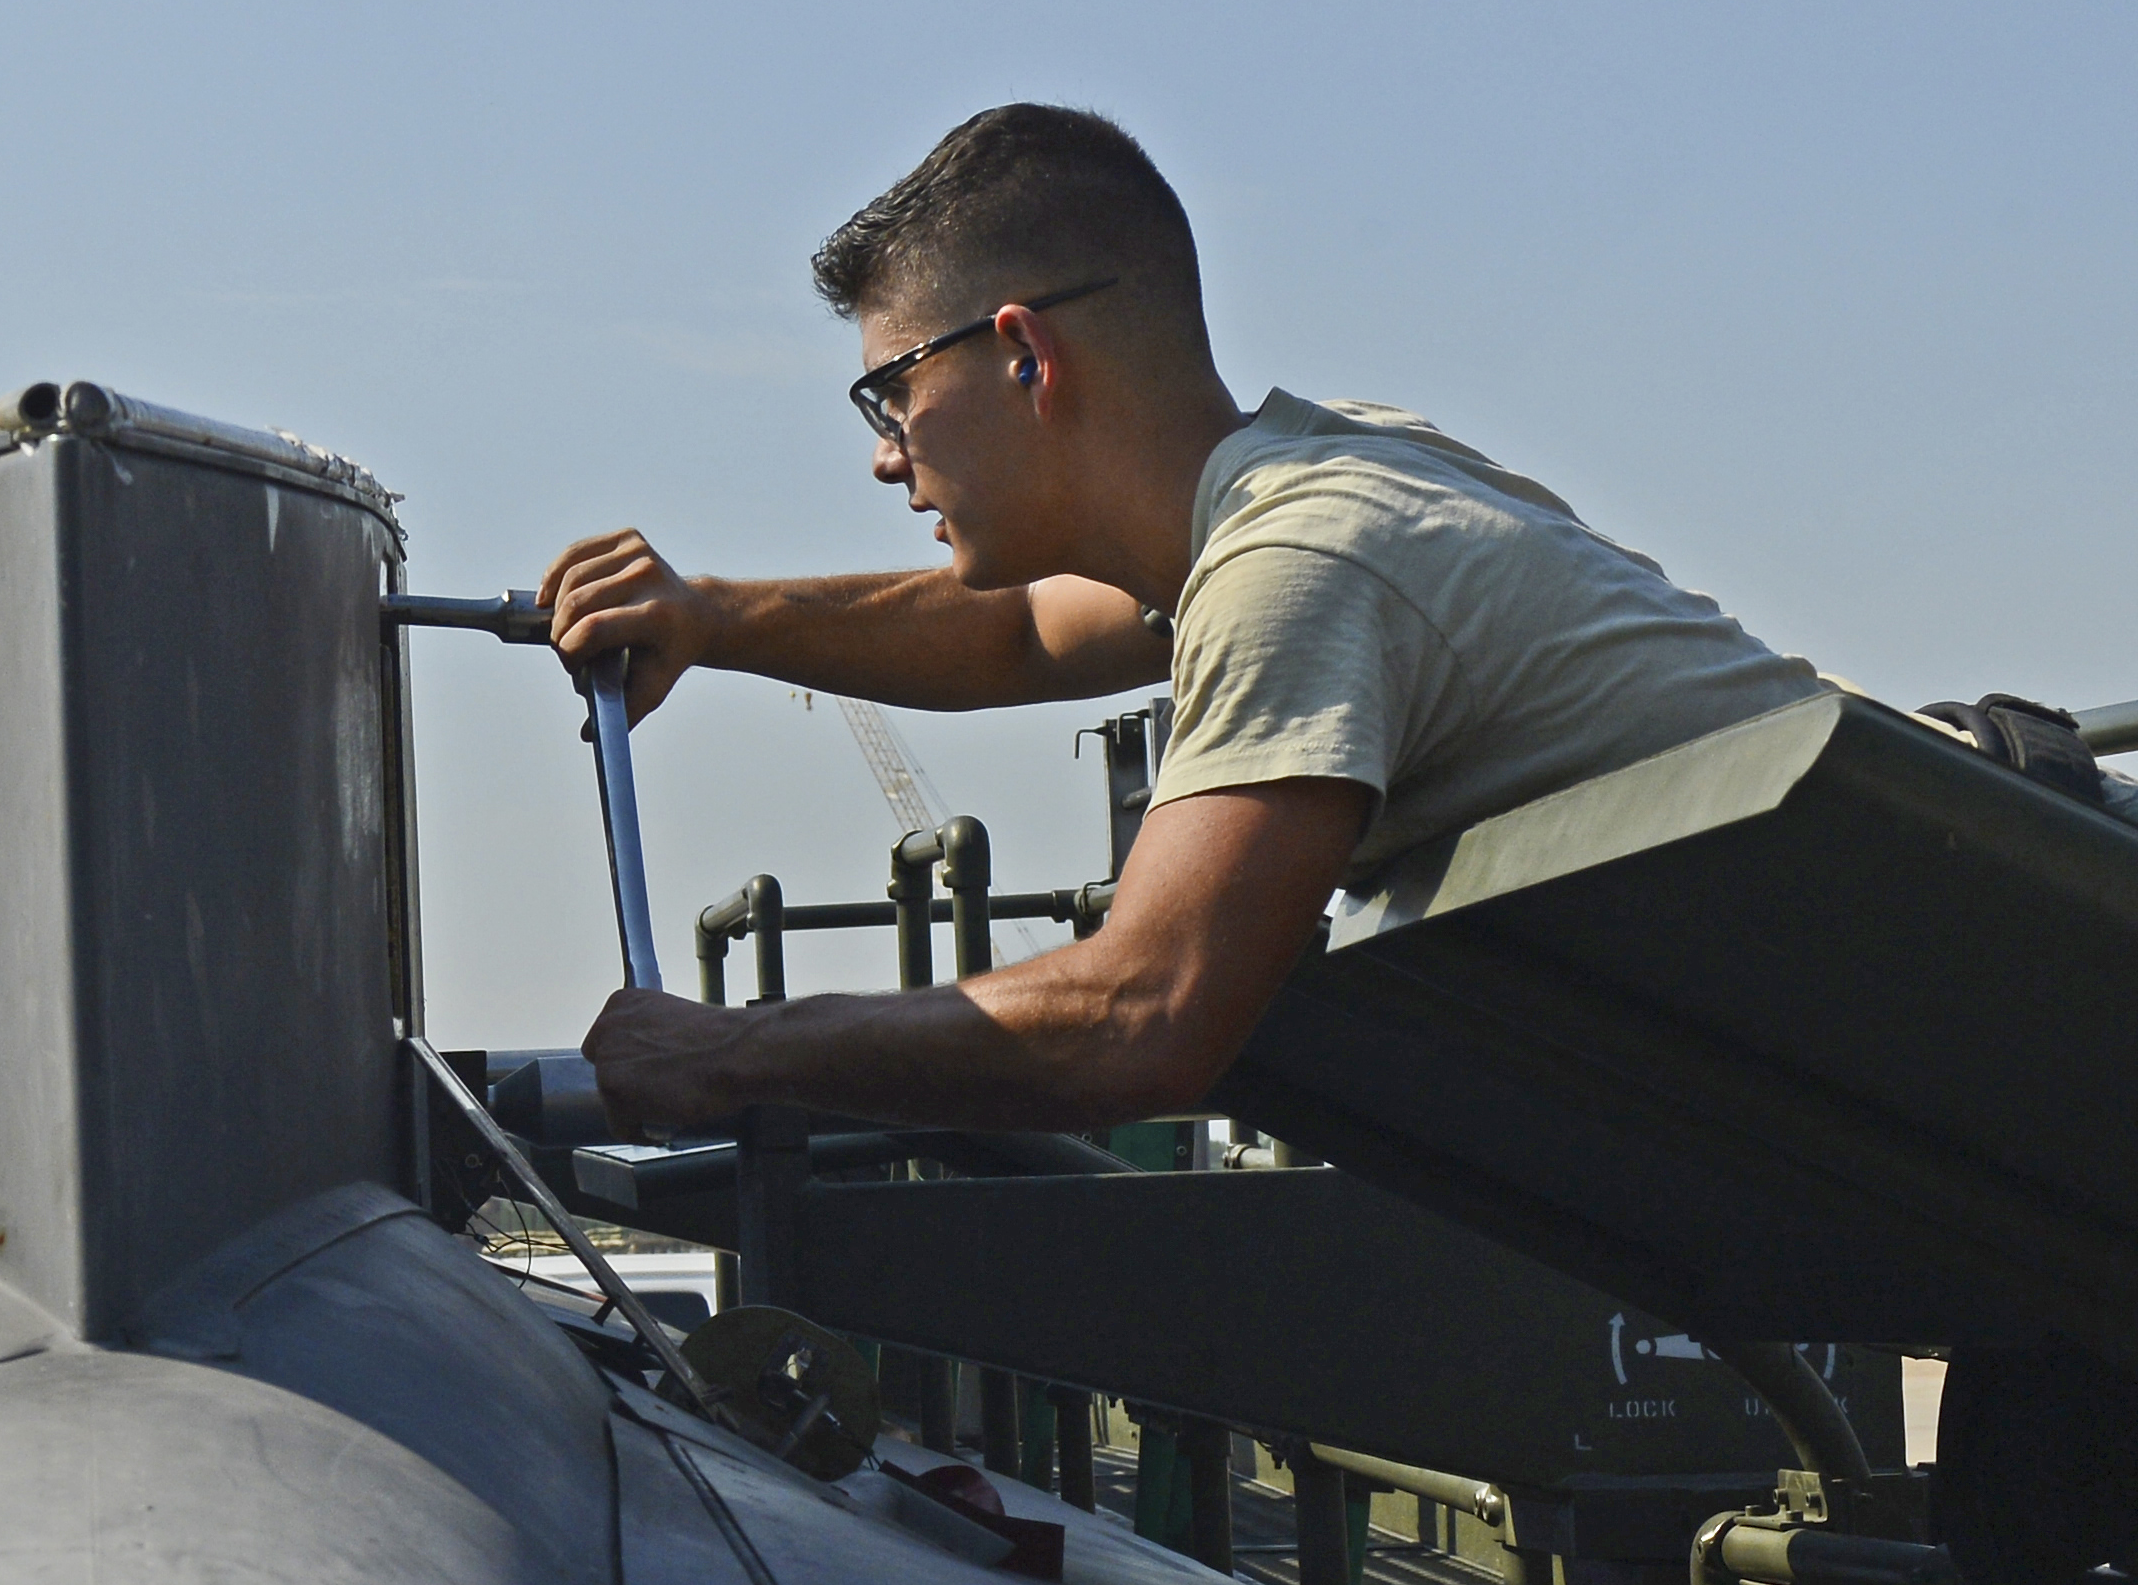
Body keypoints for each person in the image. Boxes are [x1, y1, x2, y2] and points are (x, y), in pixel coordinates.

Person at [550, 105, 1823, 1140]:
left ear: (1023, 355)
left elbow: (1139, 1013)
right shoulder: (1313, 481)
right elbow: (1020, 632)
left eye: (891, 393)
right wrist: (711, 616)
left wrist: (733, 1049)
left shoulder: (1299, 563)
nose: (886, 455)